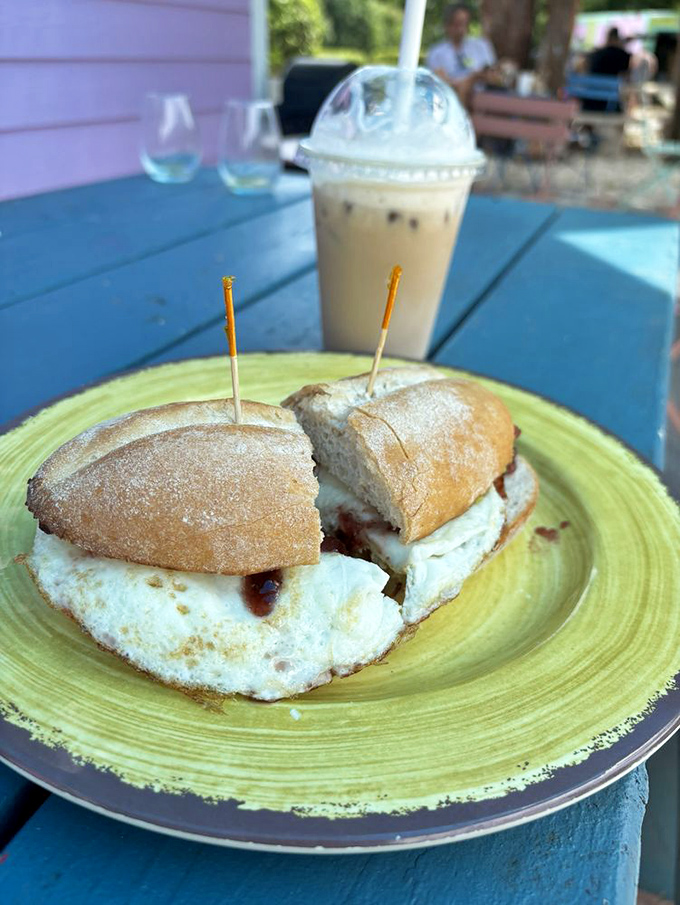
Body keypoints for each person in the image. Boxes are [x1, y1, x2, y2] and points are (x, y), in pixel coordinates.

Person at [426, 3, 496, 109]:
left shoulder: (481, 46)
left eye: (465, 23)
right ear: (447, 25)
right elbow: (437, 80)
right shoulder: (436, 52)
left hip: (482, 102)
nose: (461, 28)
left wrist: (472, 79)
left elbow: (492, 74)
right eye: (457, 23)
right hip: (448, 99)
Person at [583, 27, 631, 113]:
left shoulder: (596, 54)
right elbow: (627, 76)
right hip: (608, 105)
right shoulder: (623, 56)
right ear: (618, 39)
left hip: (589, 102)